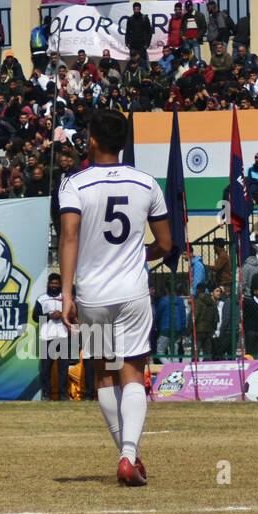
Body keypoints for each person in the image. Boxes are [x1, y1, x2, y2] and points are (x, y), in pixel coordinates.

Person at [59, 109, 173, 486]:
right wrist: (140, 255)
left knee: (105, 377)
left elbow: (70, 237)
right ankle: (129, 456)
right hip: (132, 293)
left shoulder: (75, 184)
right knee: (134, 376)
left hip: (92, 295)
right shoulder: (146, 183)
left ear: (91, 140)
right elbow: (167, 244)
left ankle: (128, 456)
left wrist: (67, 293)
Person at [33, 272, 71, 400]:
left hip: (63, 336)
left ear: (60, 284)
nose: (54, 285)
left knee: (63, 368)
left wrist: (62, 314)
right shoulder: (41, 299)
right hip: (47, 337)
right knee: (46, 368)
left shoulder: (65, 298)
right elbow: (35, 317)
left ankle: (63, 394)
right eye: (52, 283)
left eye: (56, 283)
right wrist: (49, 316)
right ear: (48, 284)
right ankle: (46, 394)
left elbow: (73, 315)